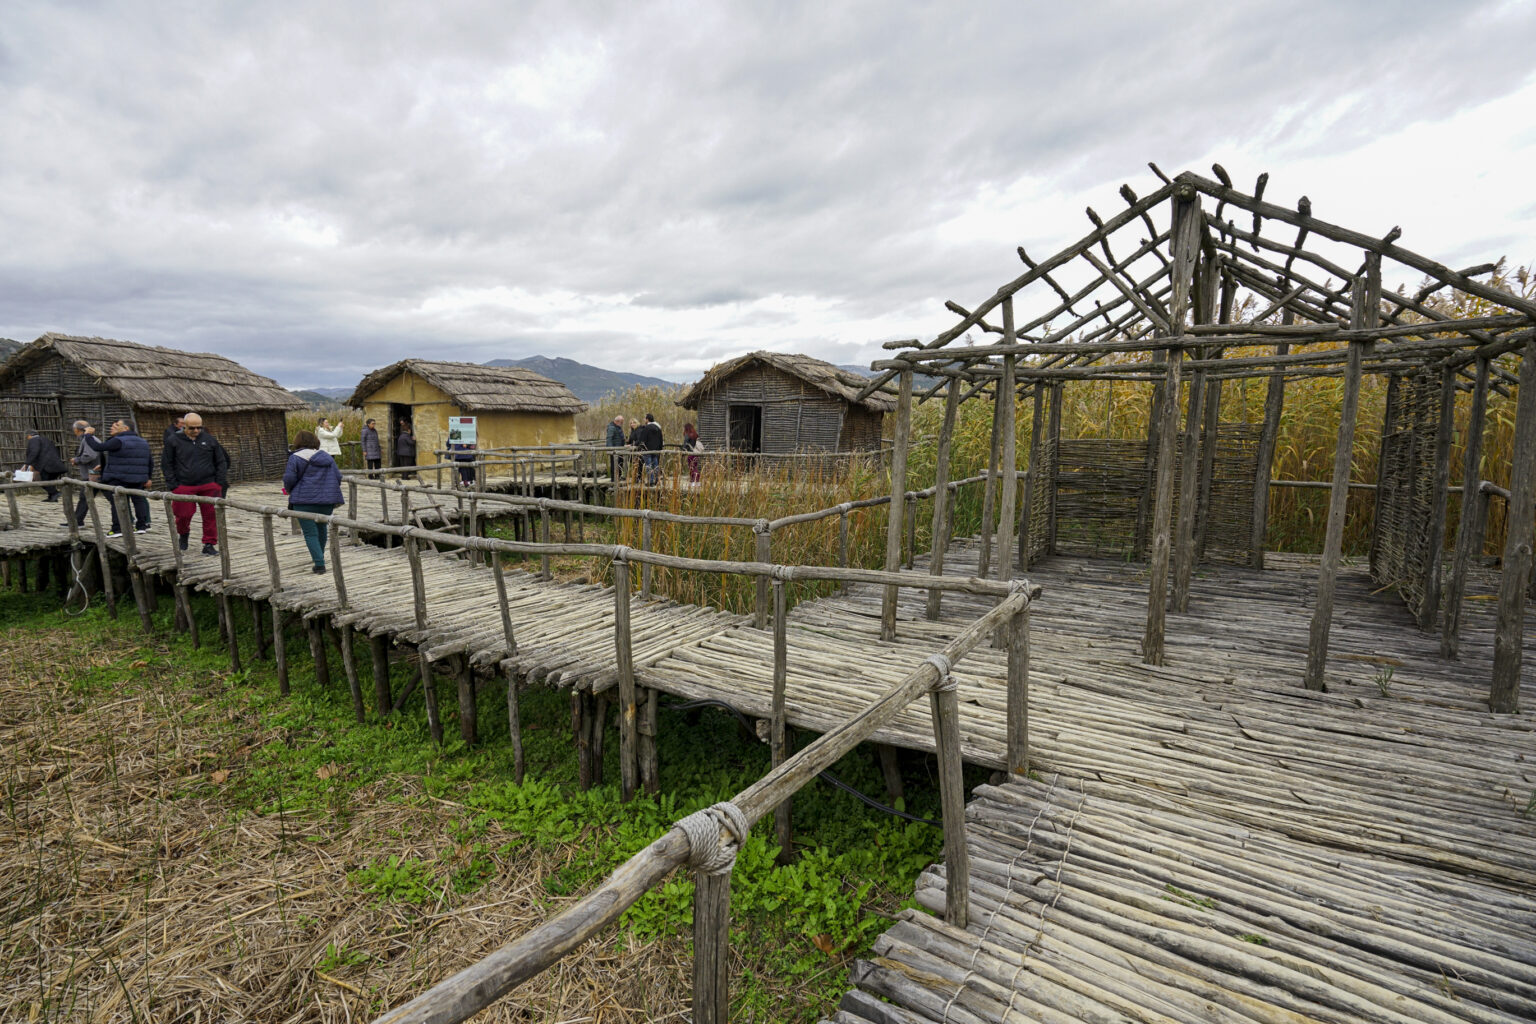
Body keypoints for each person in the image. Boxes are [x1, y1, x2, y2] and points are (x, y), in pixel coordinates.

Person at [163, 412, 229, 555]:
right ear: (184, 426)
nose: (196, 431)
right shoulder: (173, 440)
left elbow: (221, 461)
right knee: (183, 515)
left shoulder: (210, 440)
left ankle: (209, 543)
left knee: (211, 515)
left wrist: (219, 482)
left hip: (209, 484)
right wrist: (173, 485)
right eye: (192, 428)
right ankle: (184, 533)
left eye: (199, 428)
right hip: (184, 485)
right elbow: (167, 463)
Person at [283, 429, 344, 574]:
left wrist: (289, 490)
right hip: (327, 501)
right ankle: (319, 558)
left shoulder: (295, 457)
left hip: (304, 500)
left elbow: (289, 479)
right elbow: (338, 477)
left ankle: (319, 564)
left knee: (310, 533)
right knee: (322, 529)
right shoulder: (326, 457)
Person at [84, 420, 153, 535]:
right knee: (138, 500)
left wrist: (88, 435)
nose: (112, 427)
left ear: (126, 428)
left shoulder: (118, 440)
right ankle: (141, 526)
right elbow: (149, 461)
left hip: (119, 477)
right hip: (138, 478)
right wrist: (148, 477)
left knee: (118, 502)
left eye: (116, 425)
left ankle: (117, 529)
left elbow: (98, 447)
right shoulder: (143, 442)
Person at [67, 420, 101, 526]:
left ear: (77, 430)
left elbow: (90, 455)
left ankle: (77, 521)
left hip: (93, 474)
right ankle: (77, 520)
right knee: (84, 497)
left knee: (111, 497)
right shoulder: (90, 439)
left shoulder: (87, 439)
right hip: (93, 473)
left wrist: (76, 460)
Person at [22, 429, 67, 500]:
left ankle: (55, 493)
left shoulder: (34, 440)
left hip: (46, 465)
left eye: (27, 437)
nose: (27, 438)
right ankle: (52, 497)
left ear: (29, 435)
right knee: (49, 481)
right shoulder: (46, 440)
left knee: (42, 481)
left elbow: (34, 452)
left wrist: (27, 463)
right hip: (55, 464)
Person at [637, 413, 664, 486]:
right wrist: (660, 449)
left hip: (647, 450)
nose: (644, 420)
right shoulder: (658, 428)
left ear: (647, 419)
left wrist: (641, 448)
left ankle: (650, 481)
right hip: (655, 450)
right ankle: (657, 480)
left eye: (644, 418)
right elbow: (661, 439)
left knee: (648, 466)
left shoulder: (646, 428)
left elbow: (642, 440)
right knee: (655, 465)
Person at [605, 414, 626, 482]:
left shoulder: (618, 427)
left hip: (620, 449)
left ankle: (618, 477)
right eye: (621, 422)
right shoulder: (612, 428)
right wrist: (611, 450)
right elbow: (609, 439)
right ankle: (614, 479)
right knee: (614, 465)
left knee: (620, 464)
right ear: (617, 421)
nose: (622, 424)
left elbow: (619, 437)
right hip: (615, 450)